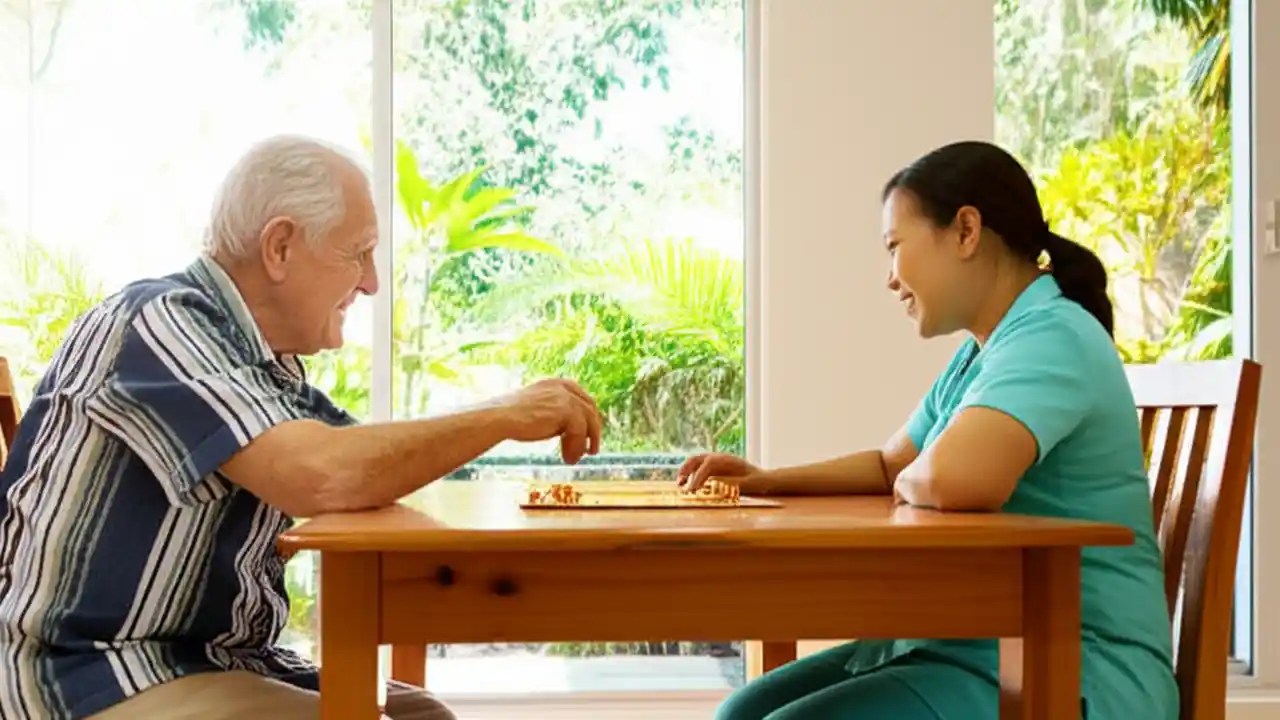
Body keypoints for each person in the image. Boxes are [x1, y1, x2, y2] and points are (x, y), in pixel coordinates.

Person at [0, 135, 604, 720]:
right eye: (358, 252)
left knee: (421, 714)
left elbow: (367, 466)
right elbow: (325, 475)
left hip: (204, 663)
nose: (369, 282)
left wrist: (495, 421)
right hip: (90, 678)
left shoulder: (263, 368)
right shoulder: (157, 324)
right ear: (281, 247)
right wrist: (503, 414)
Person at [679, 141, 1178, 720]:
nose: (890, 278)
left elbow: (955, 481)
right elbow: (897, 465)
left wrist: (920, 473)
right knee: (739, 713)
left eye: (895, 247)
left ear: (966, 230)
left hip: (1072, 664)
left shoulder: (1053, 336)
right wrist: (768, 480)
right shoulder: (983, 352)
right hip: (975, 641)